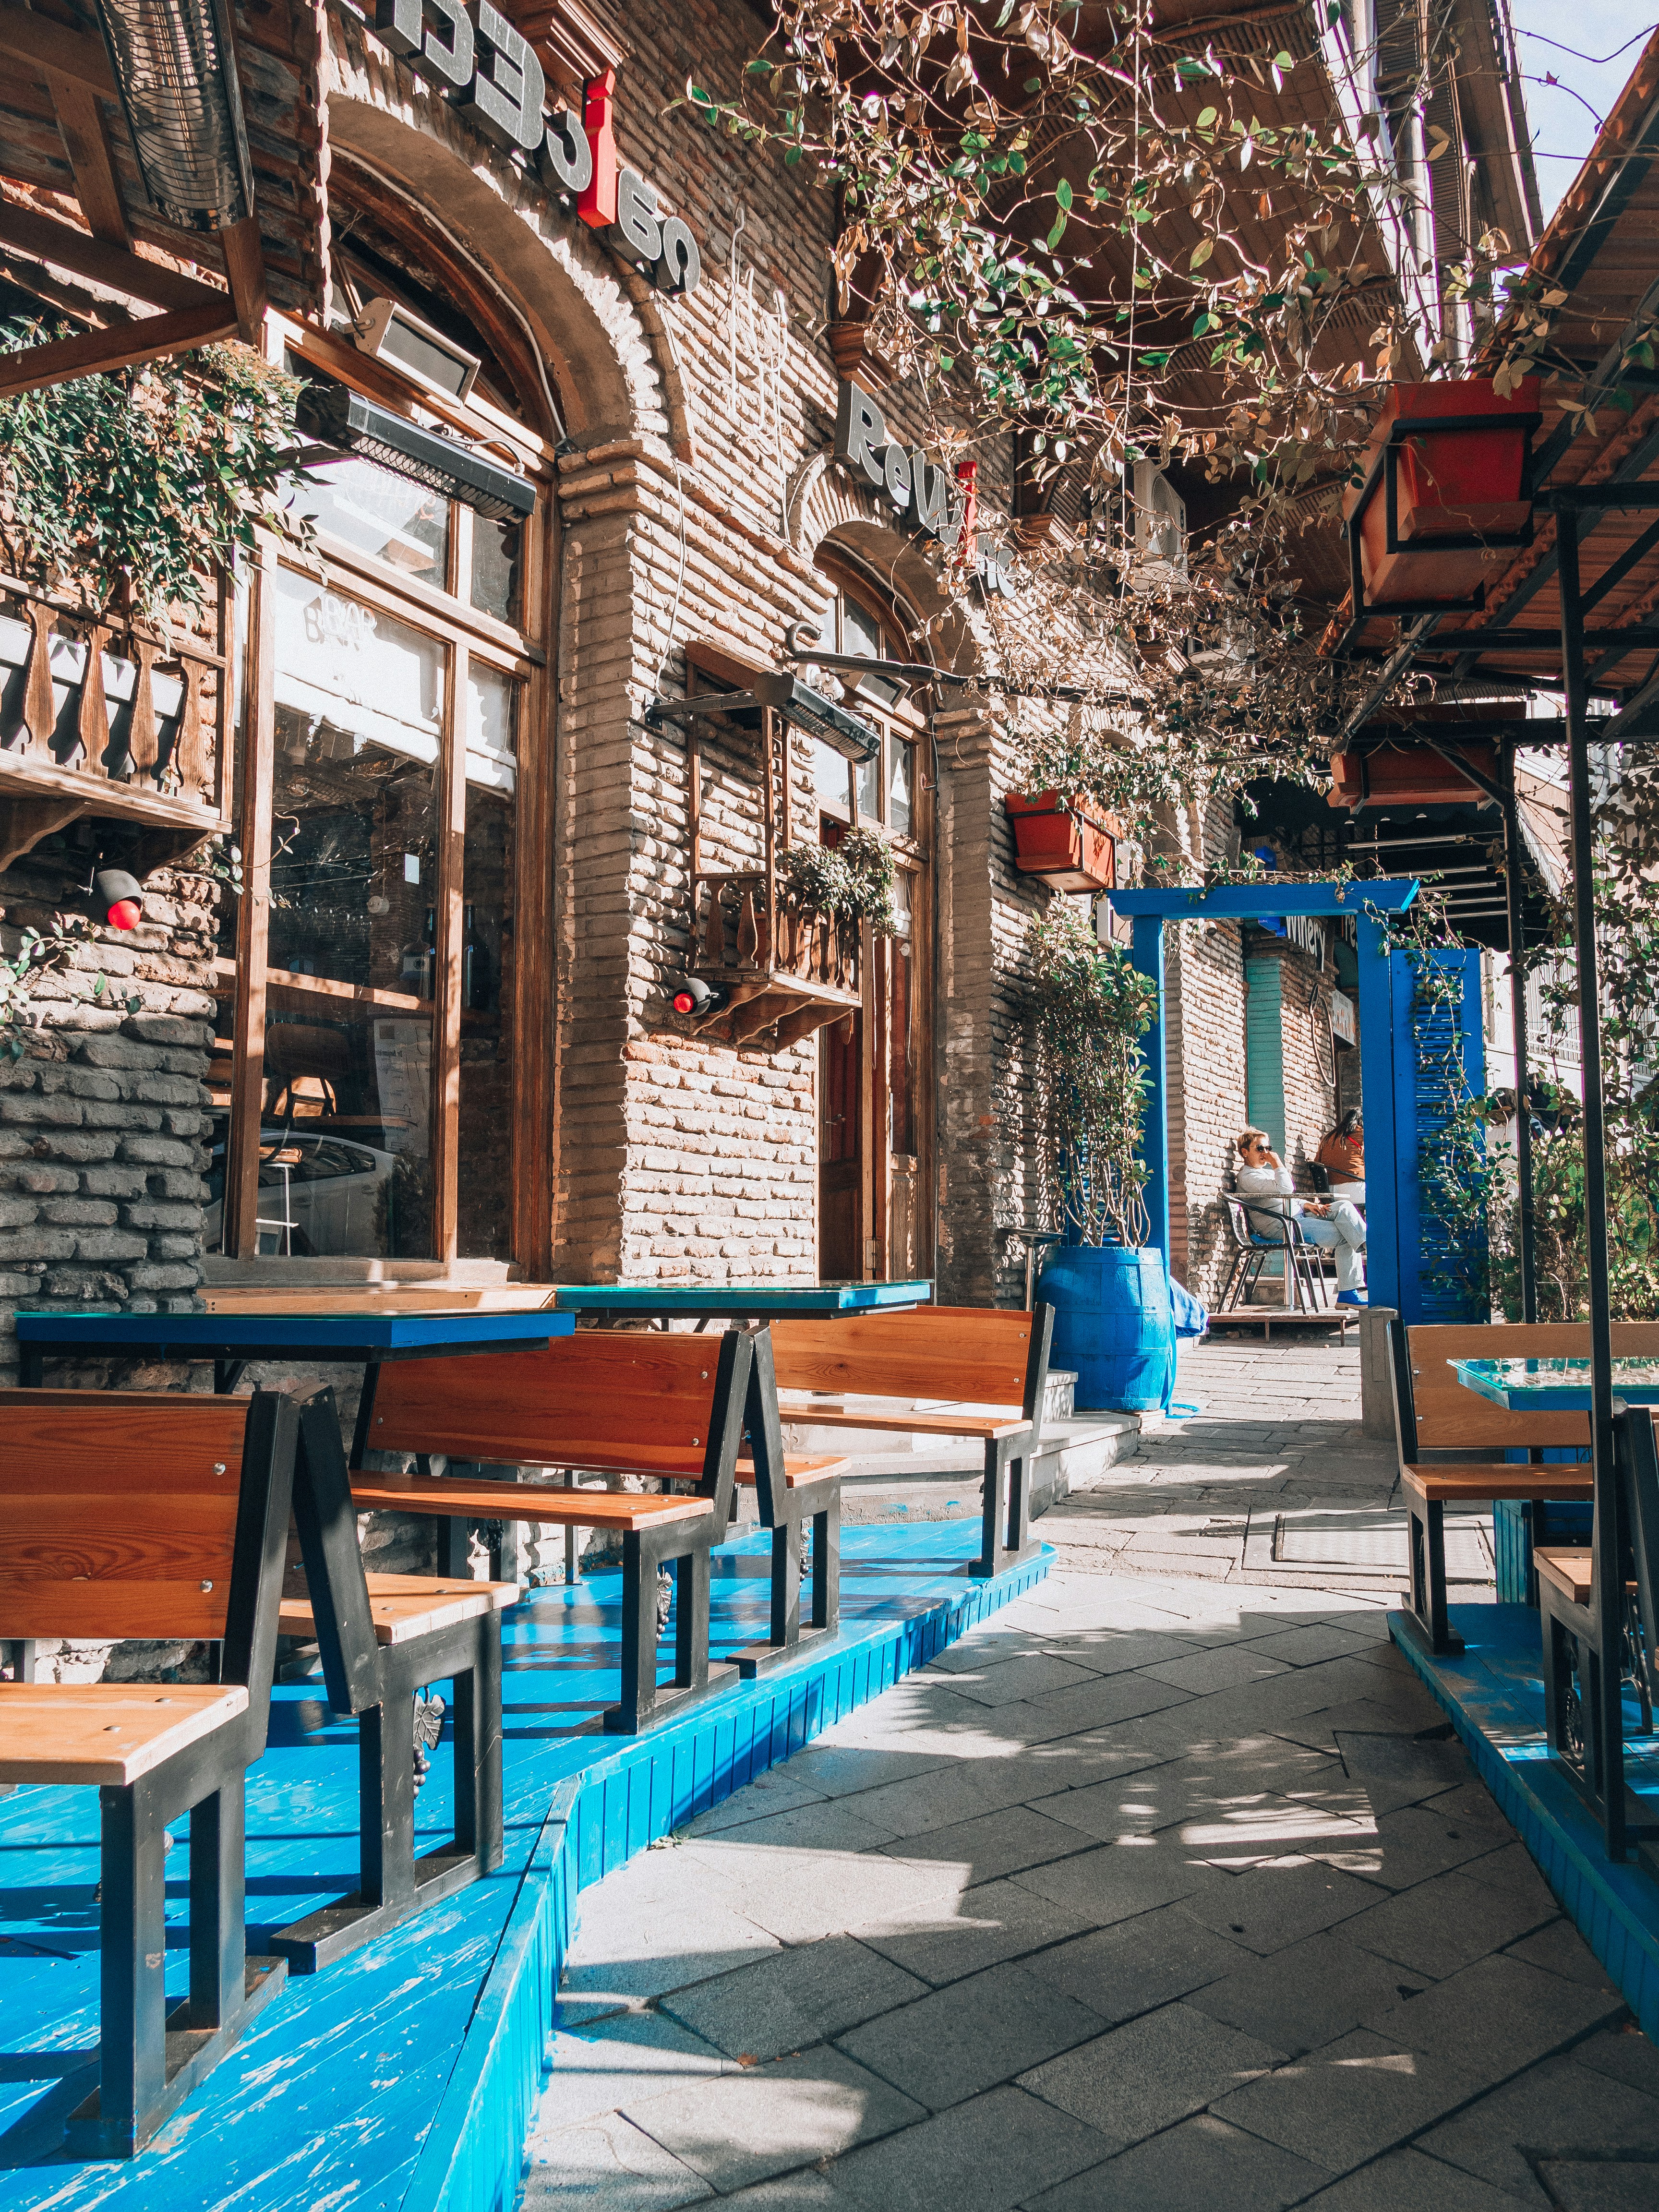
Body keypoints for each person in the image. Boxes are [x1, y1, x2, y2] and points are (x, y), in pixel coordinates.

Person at [1235, 1126, 1367, 1304]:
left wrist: (1307, 1204)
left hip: (1298, 1219)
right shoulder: (1248, 1177)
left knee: (1344, 1206)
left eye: (1268, 1149)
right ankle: (1348, 1294)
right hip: (1282, 1227)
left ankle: (1368, 1243)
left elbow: (1287, 1197)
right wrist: (1277, 1163)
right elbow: (1285, 1190)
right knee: (1347, 1234)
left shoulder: (1264, 1173)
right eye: (1260, 1149)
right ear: (1245, 1152)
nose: (1265, 1153)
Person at [1316, 1109, 1365, 1190]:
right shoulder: (1362, 1135)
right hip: (1357, 1188)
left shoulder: (1329, 1138)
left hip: (1330, 1190)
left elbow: (1318, 1162)